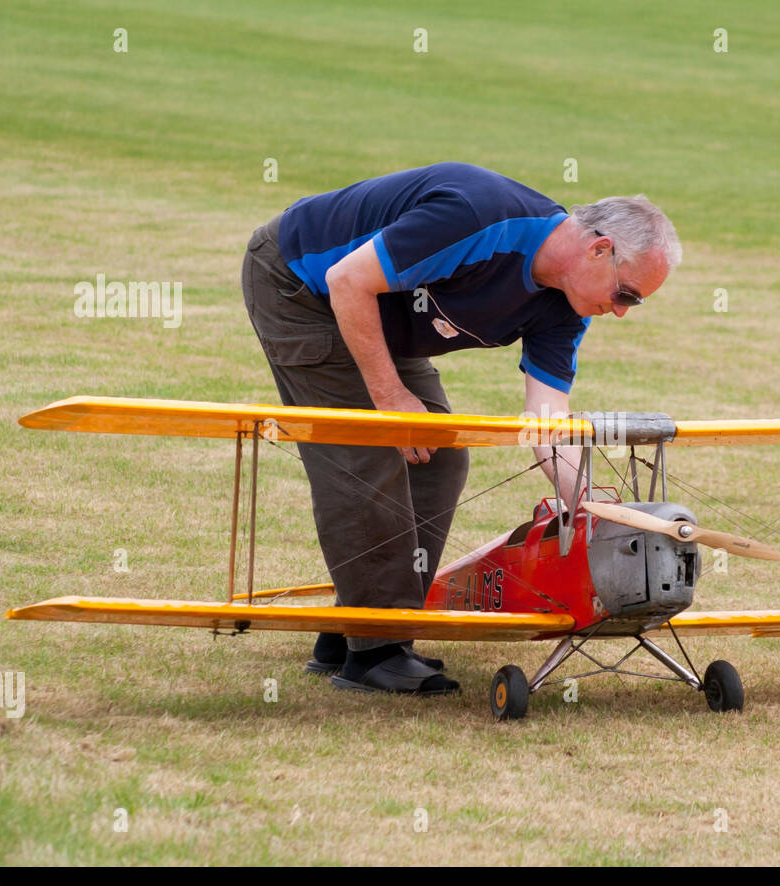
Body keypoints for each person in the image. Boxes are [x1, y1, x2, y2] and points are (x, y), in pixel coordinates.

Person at [240, 162, 680, 695]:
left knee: (442, 456)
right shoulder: (477, 217)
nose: (622, 312)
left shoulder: (567, 304)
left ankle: (352, 629)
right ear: (599, 249)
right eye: (626, 293)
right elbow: (347, 279)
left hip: (378, 310)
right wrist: (391, 398)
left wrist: (597, 509)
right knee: (370, 456)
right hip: (302, 285)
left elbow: (545, 424)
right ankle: (376, 650)